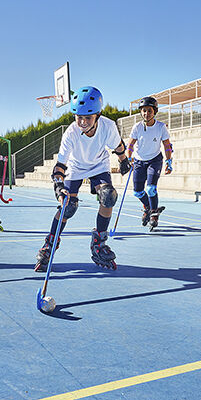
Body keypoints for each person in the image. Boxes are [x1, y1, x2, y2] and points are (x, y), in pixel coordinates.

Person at [34, 86, 131, 271]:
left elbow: (118, 146)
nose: (83, 122)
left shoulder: (108, 126)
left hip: (98, 165)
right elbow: (60, 166)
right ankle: (50, 242)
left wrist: (123, 160)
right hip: (76, 166)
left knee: (108, 196)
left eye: (88, 117)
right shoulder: (70, 133)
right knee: (67, 205)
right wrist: (58, 185)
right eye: (79, 117)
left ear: (98, 115)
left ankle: (99, 242)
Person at [127, 96, 173, 231]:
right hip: (139, 162)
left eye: (149, 111)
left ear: (155, 112)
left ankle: (153, 214)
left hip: (155, 160)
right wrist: (129, 158)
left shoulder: (161, 127)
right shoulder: (137, 127)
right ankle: (148, 207)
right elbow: (130, 145)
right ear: (141, 112)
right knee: (137, 192)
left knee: (151, 188)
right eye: (144, 111)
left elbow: (167, 145)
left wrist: (168, 162)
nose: (146, 113)